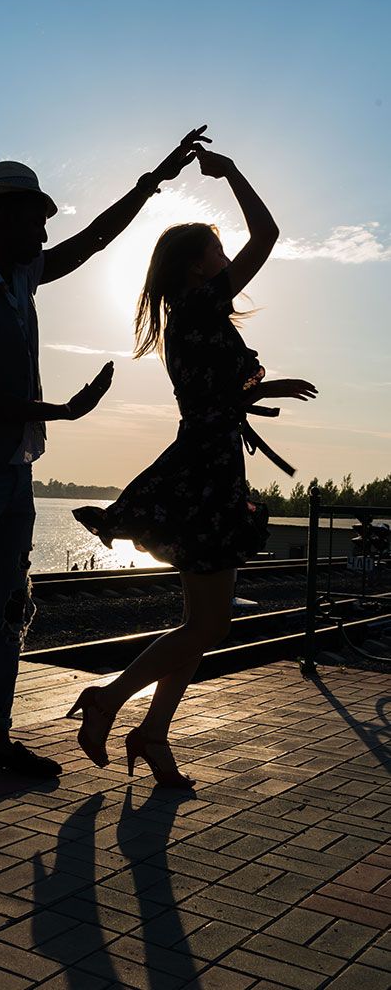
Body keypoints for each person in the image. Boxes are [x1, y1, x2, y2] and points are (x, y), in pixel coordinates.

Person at [0, 127, 211, 811]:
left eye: (43, 217)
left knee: (10, 610)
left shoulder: (21, 275)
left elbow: (92, 243)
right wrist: (64, 409)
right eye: (30, 216)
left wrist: (153, 179)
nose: (41, 226)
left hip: (15, 471)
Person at [69, 145, 318, 788]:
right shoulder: (201, 307)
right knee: (211, 621)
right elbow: (267, 234)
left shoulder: (191, 319)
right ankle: (111, 698)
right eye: (213, 248)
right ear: (191, 269)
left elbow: (210, 396)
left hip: (208, 462)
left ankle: (153, 733)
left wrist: (264, 389)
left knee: (202, 621)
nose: (224, 256)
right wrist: (231, 173)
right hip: (206, 470)